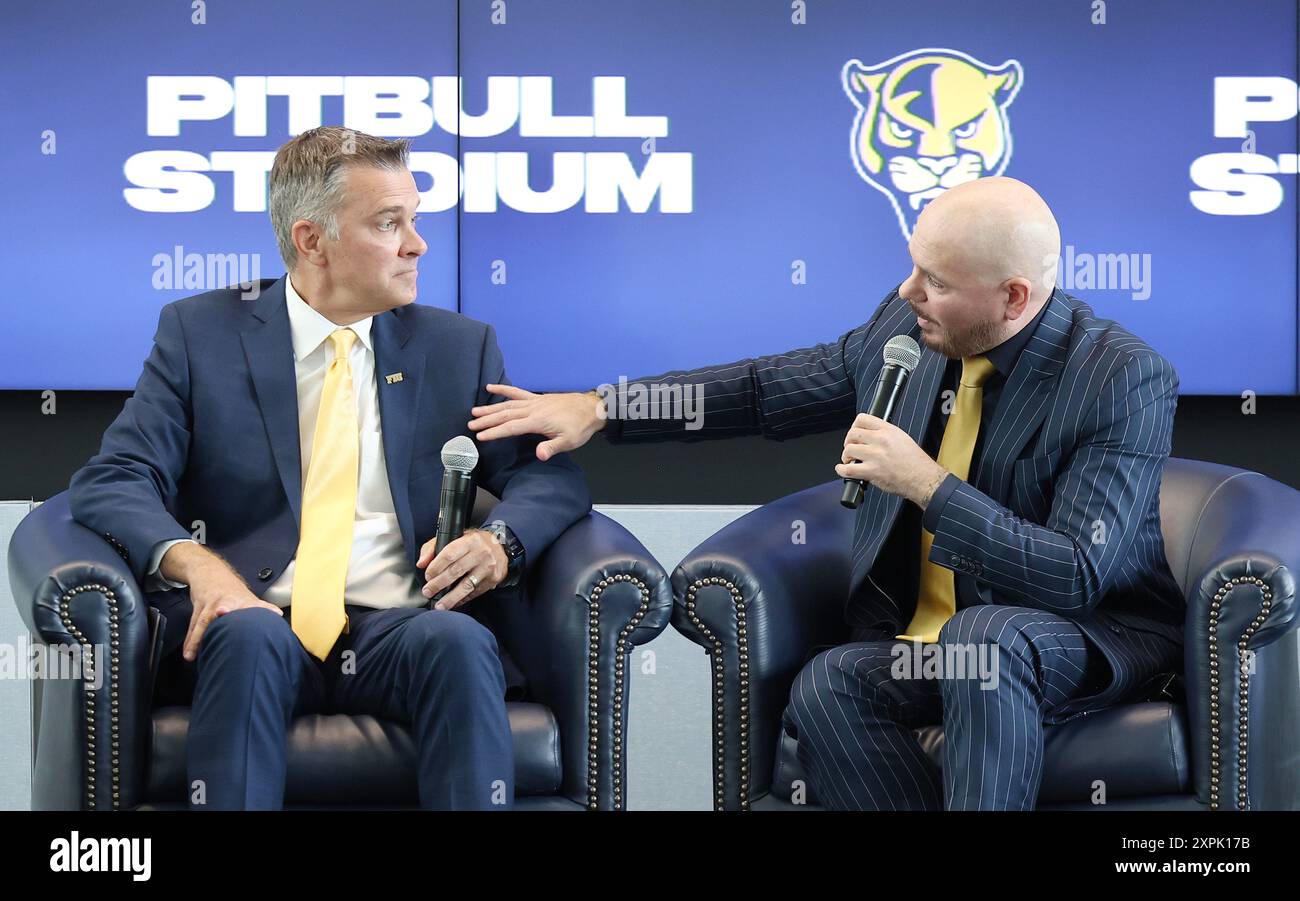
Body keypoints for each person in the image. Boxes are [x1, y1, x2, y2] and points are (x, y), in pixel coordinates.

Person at [467, 176, 1184, 810]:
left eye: (935, 281)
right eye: (912, 268)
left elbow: (1077, 572)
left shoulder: (1118, 376)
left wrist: (927, 484)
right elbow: (763, 390)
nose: (909, 293)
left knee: (985, 637)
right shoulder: (911, 330)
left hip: (1084, 634)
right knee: (831, 683)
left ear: (1014, 296)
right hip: (933, 648)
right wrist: (603, 406)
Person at [68, 126, 592, 810]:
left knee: (459, 641)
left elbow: (547, 475)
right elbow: (115, 478)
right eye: (389, 223)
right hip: (258, 615)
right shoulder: (200, 336)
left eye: (416, 220)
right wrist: (200, 569)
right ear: (313, 240)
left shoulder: (457, 348)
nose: (417, 244)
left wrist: (500, 543)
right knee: (248, 634)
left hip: (399, 623)